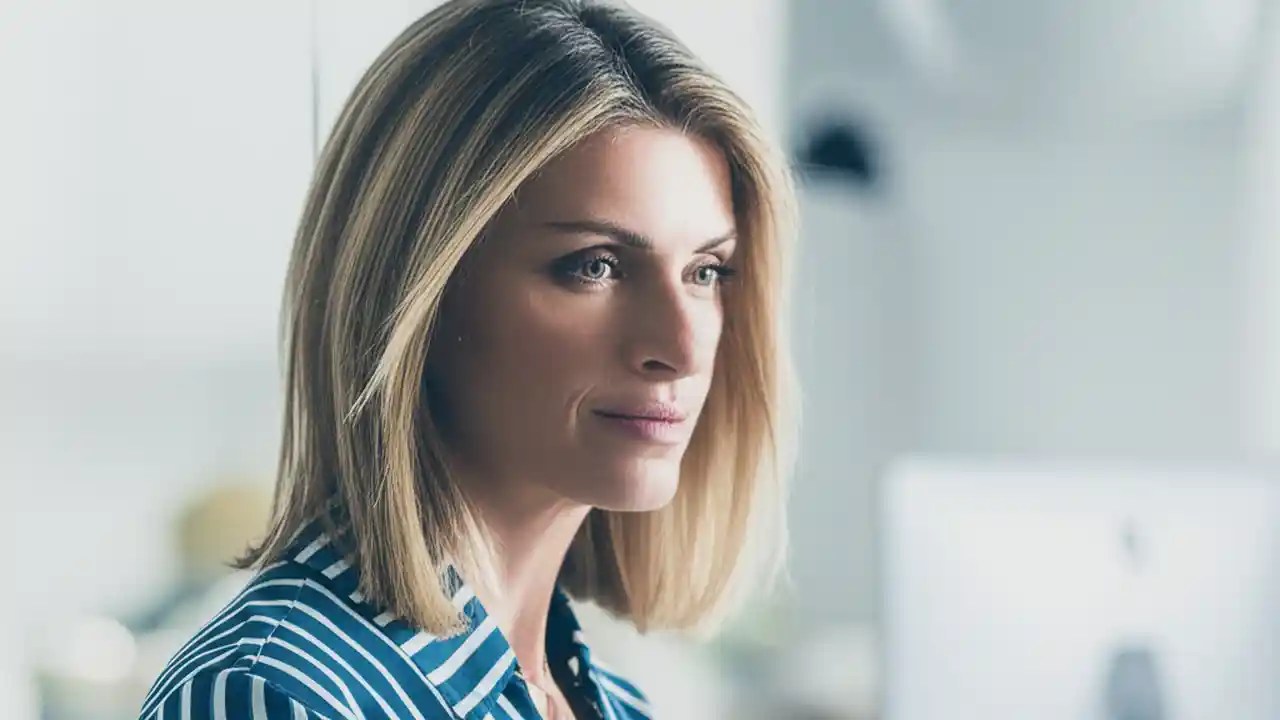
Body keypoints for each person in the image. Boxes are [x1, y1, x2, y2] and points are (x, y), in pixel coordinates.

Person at [137, 0, 796, 717]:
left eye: (706, 272)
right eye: (594, 266)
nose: (680, 348)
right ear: (418, 291)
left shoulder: (614, 705)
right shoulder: (275, 696)